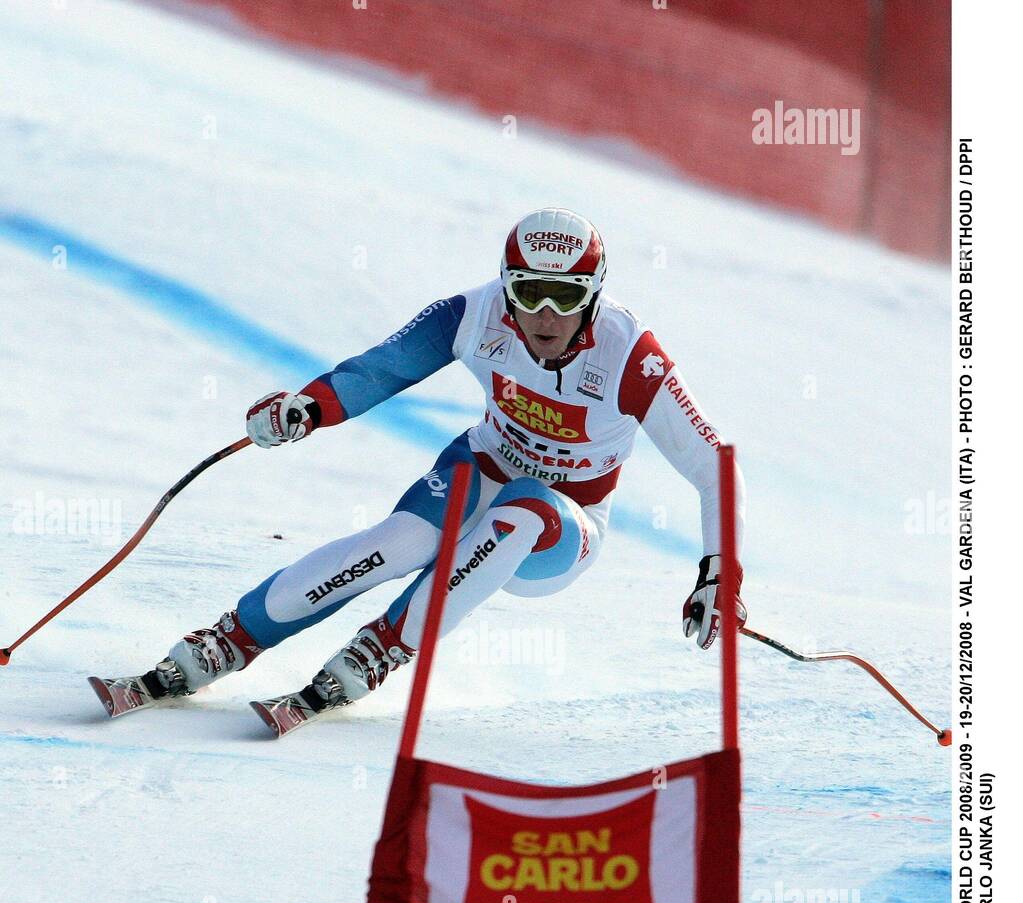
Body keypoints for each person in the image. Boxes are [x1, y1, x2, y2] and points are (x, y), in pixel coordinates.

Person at [99, 208, 746, 730]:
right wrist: (306, 407)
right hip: (476, 470)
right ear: (506, 287)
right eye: (528, 293)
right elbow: (383, 368)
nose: (544, 315)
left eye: (564, 296)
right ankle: (226, 641)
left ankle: (382, 646)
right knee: (398, 543)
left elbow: (712, 460)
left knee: (524, 505)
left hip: (561, 528)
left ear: (594, 298)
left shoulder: (630, 355)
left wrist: (718, 572)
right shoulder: (476, 313)